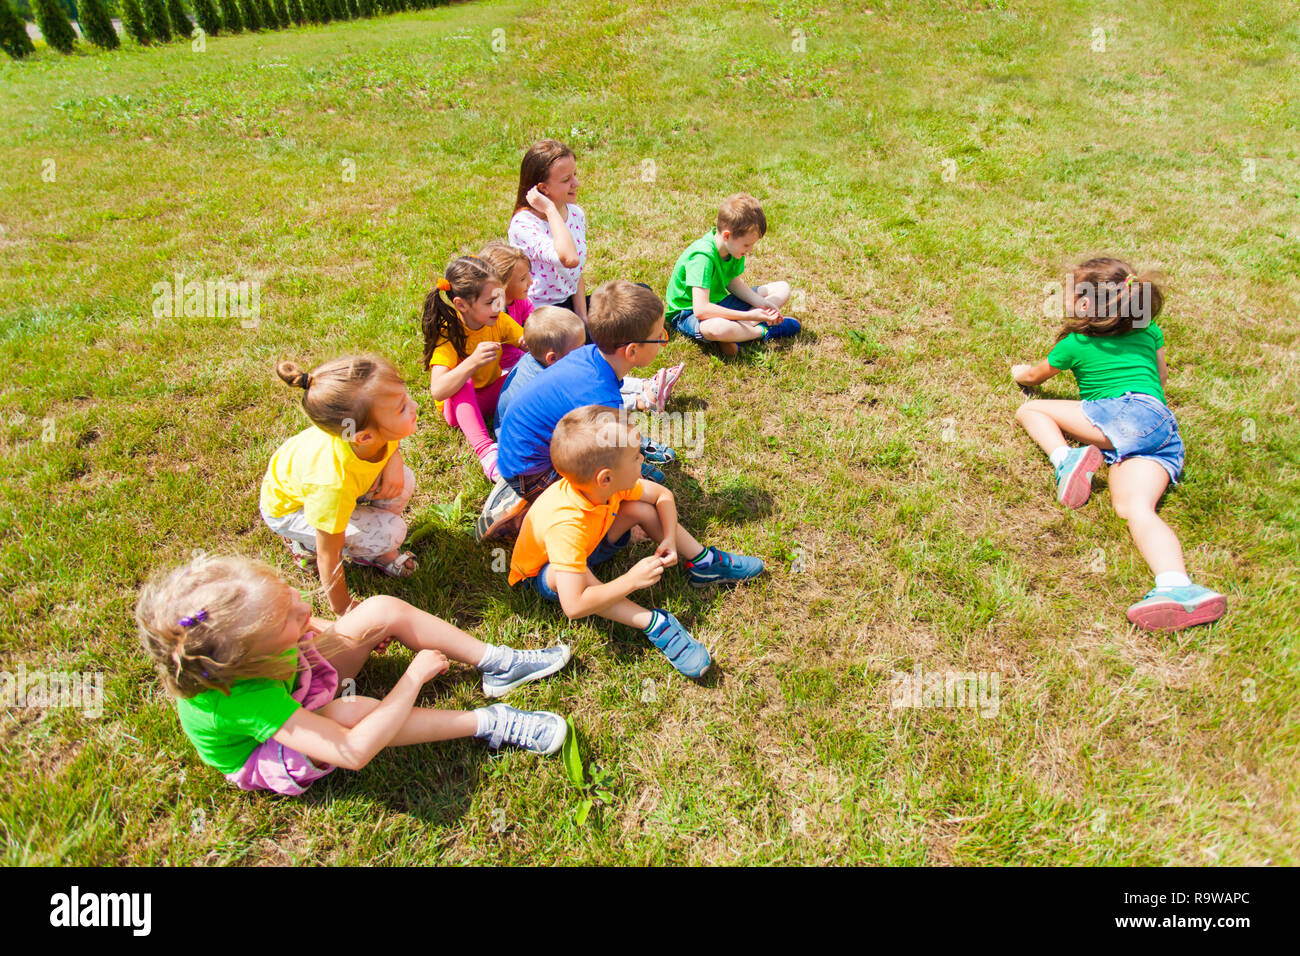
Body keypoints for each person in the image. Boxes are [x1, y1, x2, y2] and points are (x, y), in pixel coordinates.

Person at [136, 554, 572, 795]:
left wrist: (333, 631)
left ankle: (498, 663)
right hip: (268, 748)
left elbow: (308, 625)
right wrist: (412, 679)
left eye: (287, 595)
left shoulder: (251, 643)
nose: (305, 609)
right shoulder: (242, 696)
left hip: (290, 678)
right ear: (254, 661)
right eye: (288, 619)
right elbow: (351, 752)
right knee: (349, 713)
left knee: (379, 610)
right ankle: (489, 722)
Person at [1010, 257, 1226, 632]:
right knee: (1134, 508)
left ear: (1082, 304)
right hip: (1159, 428)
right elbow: (1160, 376)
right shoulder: (1150, 331)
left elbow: (1033, 377)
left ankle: (1066, 459)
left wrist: (1018, 372)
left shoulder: (1076, 343)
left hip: (1121, 415)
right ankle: (1178, 586)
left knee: (1033, 411)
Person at [509, 405, 765, 678]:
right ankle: (654, 623)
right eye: (635, 456)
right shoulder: (566, 526)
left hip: (590, 544)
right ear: (605, 478)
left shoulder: (607, 485)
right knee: (571, 573)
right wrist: (631, 580)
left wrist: (669, 538)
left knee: (640, 509)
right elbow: (574, 606)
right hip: (546, 574)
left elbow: (662, 495)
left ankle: (703, 562)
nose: (643, 457)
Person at [476, 281, 679, 542]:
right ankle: (529, 515)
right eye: (659, 336)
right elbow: (614, 468)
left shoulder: (589, 356)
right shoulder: (601, 398)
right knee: (608, 491)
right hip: (530, 473)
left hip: (520, 452)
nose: (663, 340)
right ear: (632, 351)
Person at [260, 355, 418, 615]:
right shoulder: (331, 483)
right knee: (392, 531)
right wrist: (343, 608)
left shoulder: (367, 433)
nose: (414, 406)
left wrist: (393, 458)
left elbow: (391, 442)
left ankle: (375, 548)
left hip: (333, 491)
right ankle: (302, 545)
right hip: (291, 510)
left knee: (404, 480)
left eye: (406, 398)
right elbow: (328, 554)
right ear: (365, 437)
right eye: (402, 408)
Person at [421, 256, 526, 482]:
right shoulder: (449, 333)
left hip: (488, 395)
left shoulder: (499, 320)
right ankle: (486, 453)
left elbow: (527, 341)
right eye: (490, 302)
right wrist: (472, 362)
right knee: (462, 379)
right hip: (458, 408)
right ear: (461, 304)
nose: (498, 306)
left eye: (499, 298)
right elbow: (439, 390)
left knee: (525, 367)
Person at [665, 193, 801, 356]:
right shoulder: (702, 257)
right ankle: (762, 331)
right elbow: (701, 309)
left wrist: (761, 303)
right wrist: (749, 315)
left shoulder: (733, 249)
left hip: (719, 303)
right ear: (727, 235)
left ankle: (738, 332)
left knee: (782, 287)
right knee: (718, 328)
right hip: (688, 314)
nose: (749, 250)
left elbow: (733, 282)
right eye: (746, 244)